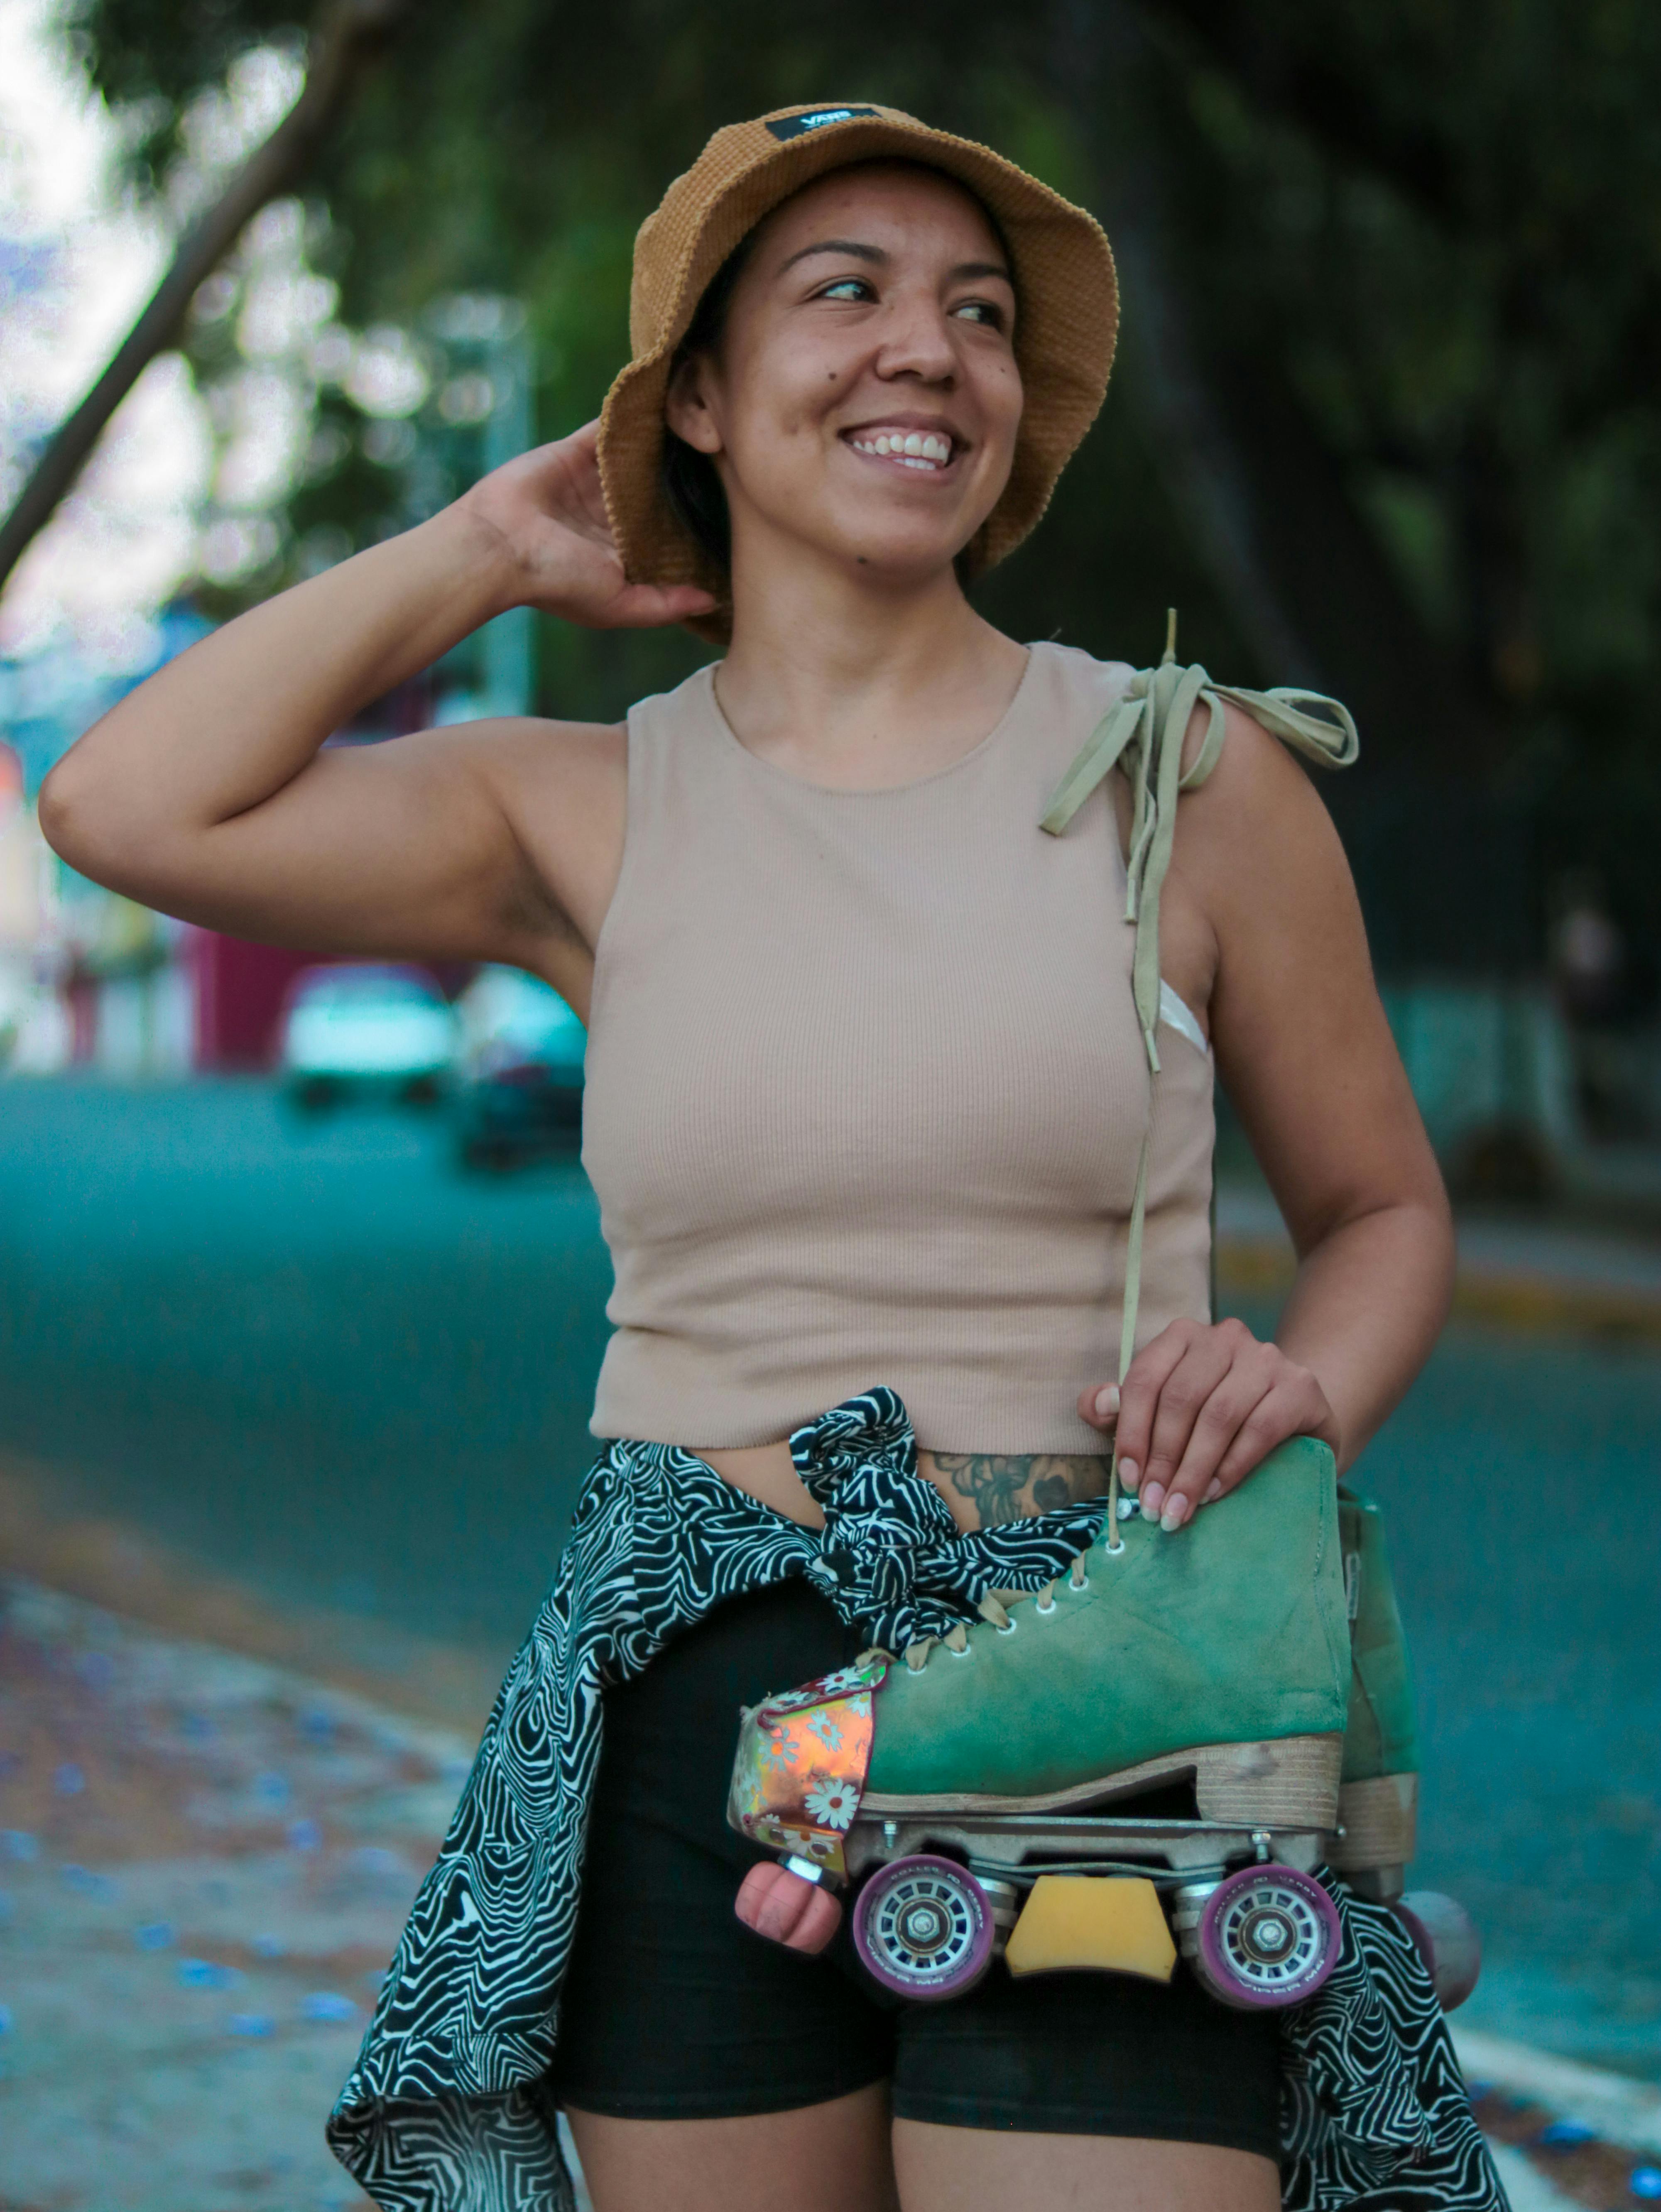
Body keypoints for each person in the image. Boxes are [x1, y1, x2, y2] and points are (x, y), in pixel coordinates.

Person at [43, 104, 1467, 2212]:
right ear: (694, 399)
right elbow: (120, 807)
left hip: (1104, 1696)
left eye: (977, 316)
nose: (930, 351)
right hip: (700, 1713)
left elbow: (1381, 1211)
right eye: (846, 295)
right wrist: (483, 550)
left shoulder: (1186, 767)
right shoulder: (576, 807)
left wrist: (1307, 1387)